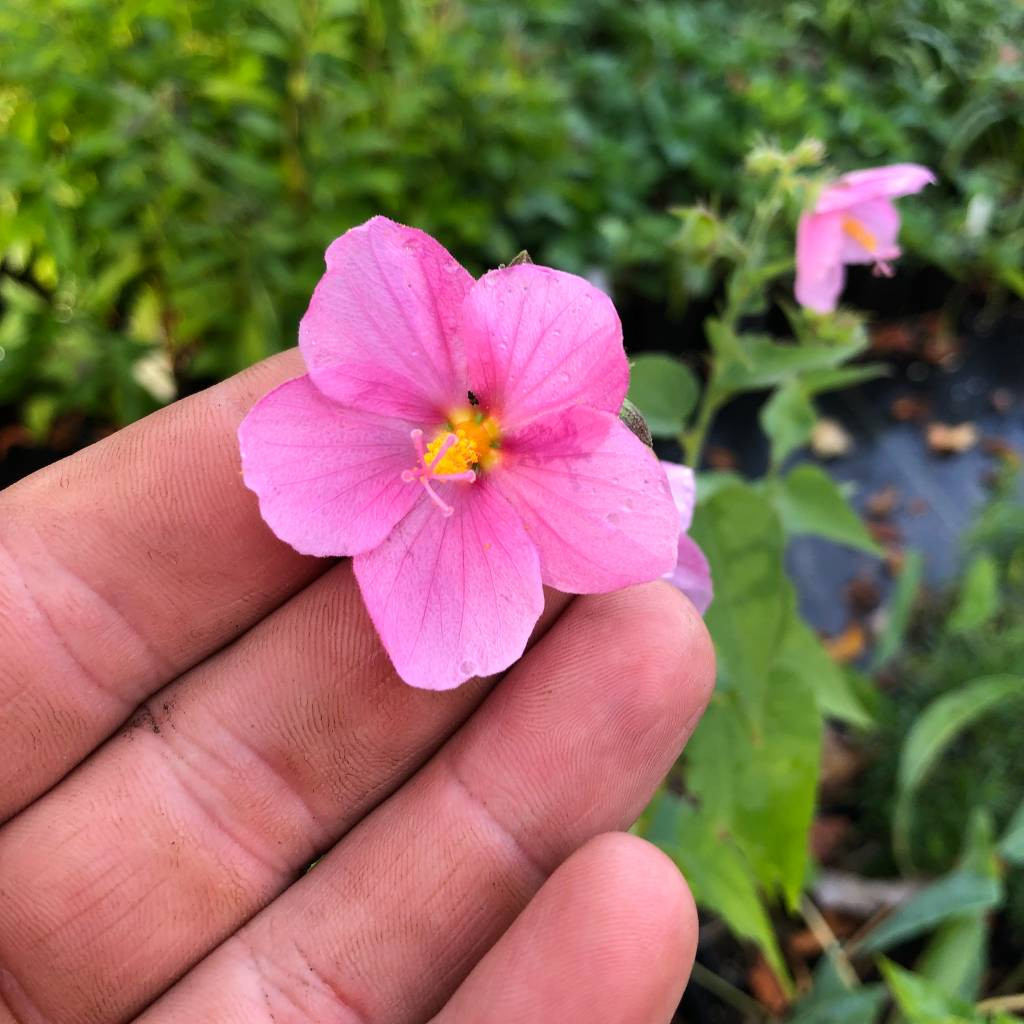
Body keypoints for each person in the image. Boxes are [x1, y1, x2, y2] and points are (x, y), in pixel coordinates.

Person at [0, 349, 715, 1024]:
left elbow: (602, 475)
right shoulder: (435, 439)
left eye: (464, 444)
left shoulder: (513, 449)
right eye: (459, 441)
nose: (451, 450)